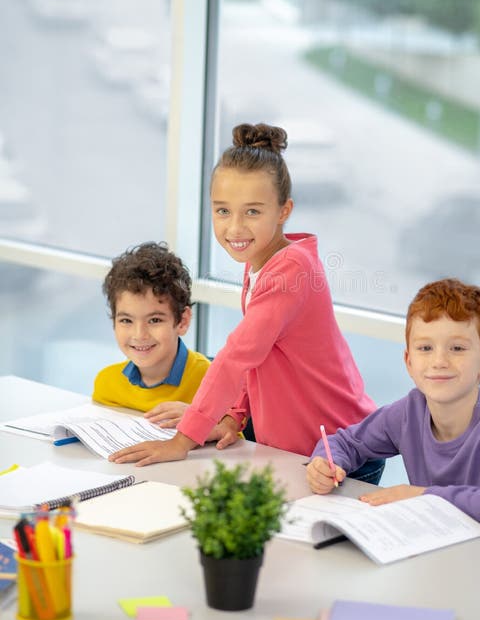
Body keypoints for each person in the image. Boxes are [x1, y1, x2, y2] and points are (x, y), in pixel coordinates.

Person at [109, 123, 381, 478]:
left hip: (339, 446)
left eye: (252, 212)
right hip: (300, 450)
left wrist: (183, 440)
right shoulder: (262, 264)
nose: (234, 228)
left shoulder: (290, 270)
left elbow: (237, 355)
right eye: (223, 211)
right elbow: (257, 358)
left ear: (284, 211)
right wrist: (232, 417)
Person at [307, 278, 480, 535]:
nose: (439, 361)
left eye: (457, 348)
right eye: (425, 348)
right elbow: (344, 443)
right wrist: (323, 463)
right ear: (409, 361)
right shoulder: (408, 413)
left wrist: (423, 496)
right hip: (449, 550)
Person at [93, 241, 210, 418]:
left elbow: (236, 441)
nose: (139, 335)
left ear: (183, 321)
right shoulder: (107, 385)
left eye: (154, 320)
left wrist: (202, 420)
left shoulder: (210, 383)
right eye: (126, 320)